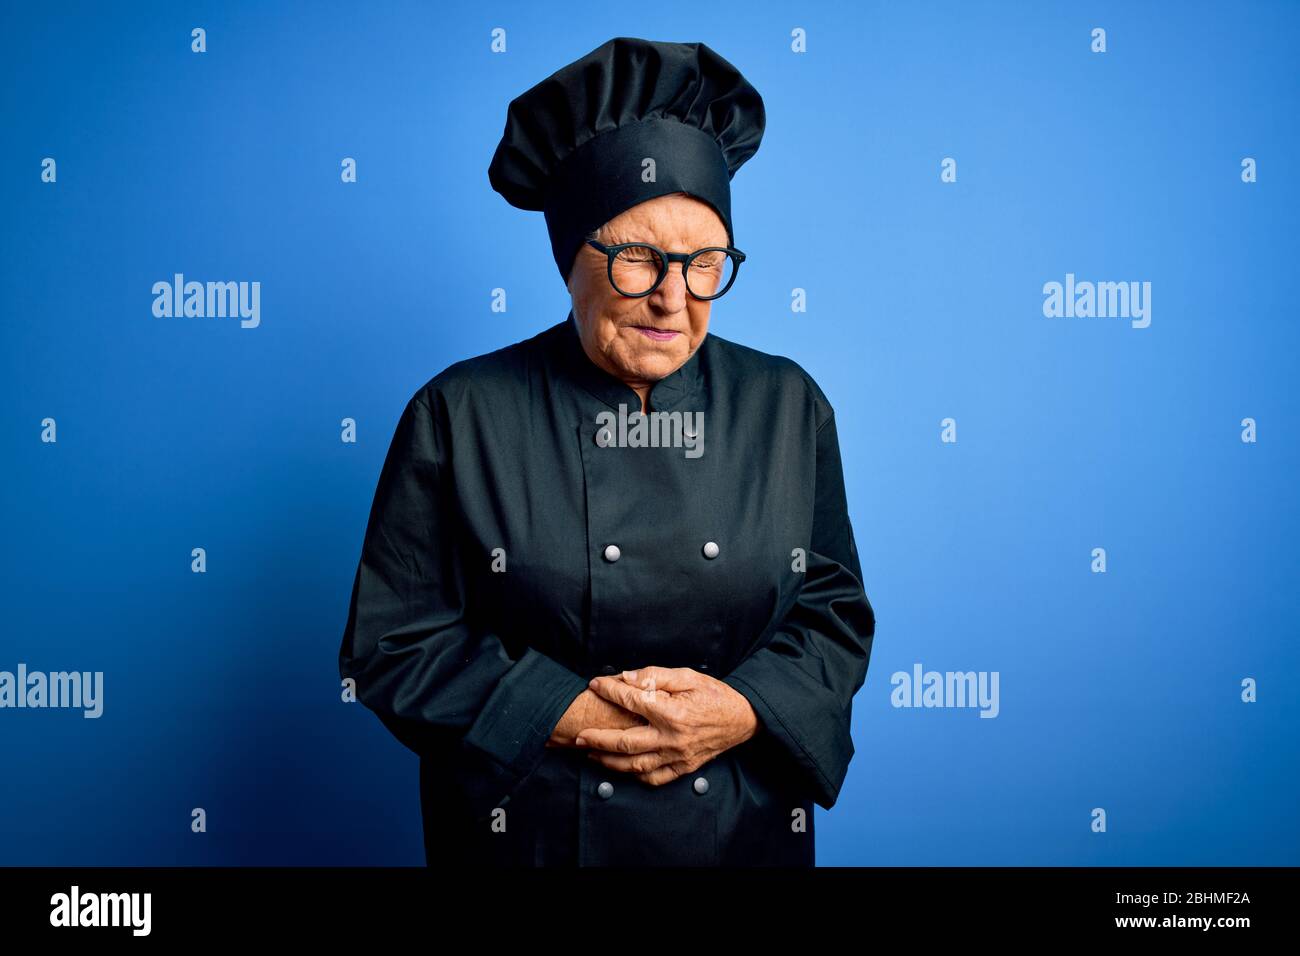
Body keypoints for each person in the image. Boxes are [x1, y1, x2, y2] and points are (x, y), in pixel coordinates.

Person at [338, 36, 876, 866]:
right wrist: (575, 715)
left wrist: (738, 710)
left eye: (704, 264)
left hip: (738, 830)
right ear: (570, 260)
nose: (673, 298)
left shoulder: (787, 406)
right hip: (534, 834)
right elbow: (395, 643)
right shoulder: (460, 411)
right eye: (638, 262)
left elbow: (833, 613)